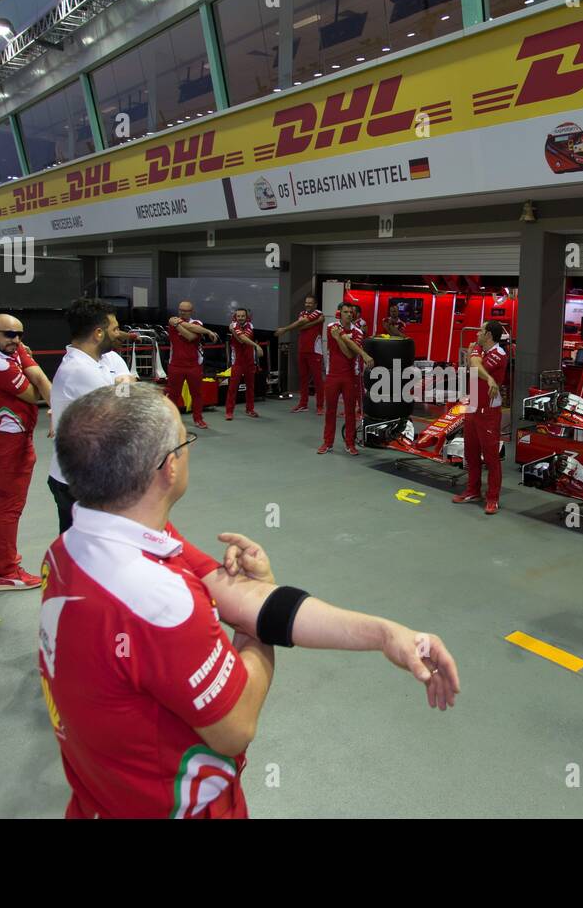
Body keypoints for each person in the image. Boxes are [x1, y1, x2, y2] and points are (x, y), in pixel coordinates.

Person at [41, 383, 460, 818]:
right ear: (168, 467)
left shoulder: (77, 545)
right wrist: (250, 634)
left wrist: (385, 634)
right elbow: (236, 727)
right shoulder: (156, 600)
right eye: (185, 441)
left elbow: (250, 599)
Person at [0, 314, 52, 591]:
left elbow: (39, 376)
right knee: (9, 505)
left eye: (19, 334)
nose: (16, 340)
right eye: (8, 334)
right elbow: (34, 392)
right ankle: (7, 572)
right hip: (10, 441)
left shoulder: (6, 352)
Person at [47, 299, 136, 533]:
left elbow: (128, 382)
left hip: (96, 474)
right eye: (114, 328)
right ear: (98, 333)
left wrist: (124, 385)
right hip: (77, 482)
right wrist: (125, 387)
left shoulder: (107, 358)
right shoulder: (79, 370)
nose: (119, 334)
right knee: (80, 552)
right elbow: (125, 413)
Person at [452, 320, 509, 515]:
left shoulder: (499, 354)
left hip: (489, 412)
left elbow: (475, 366)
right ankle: (473, 491)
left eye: (481, 331)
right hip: (472, 407)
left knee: (491, 457)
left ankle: (493, 497)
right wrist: (488, 376)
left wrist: (475, 359)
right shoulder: (480, 348)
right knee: (471, 453)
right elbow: (473, 362)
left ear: (489, 335)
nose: (477, 333)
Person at [319, 303, 373, 455]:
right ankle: (327, 443)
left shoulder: (358, 332)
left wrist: (338, 338)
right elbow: (347, 349)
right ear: (340, 313)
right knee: (330, 411)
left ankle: (350, 443)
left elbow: (349, 355)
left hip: (351, 376)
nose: (349, 314)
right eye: (345, 312)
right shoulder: (331, 326)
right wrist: (363, 353)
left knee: (350, 412)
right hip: (333, 375)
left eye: (351, 312)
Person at [166, 301, 219, 429]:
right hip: (175, 365)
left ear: (191, 312)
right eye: (180, 310)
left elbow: (191, 335)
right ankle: (171, 420)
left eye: (185, 310)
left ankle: (198, 419)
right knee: (173, 394)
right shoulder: (171, 322)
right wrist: (207, 332)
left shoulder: (196, 323)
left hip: (194, 366)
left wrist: (178, 323)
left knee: (196, 394)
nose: (182, 312)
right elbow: (189, 334)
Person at [275, 295, 324, 413]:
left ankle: (320, 406)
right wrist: (317, 322)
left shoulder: (318, 312)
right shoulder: (303, 313)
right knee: (303, 378)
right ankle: (303, 404)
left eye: (310, 303)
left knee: (318, 379)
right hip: (302, 350)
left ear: (315, 304)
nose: (307, 304)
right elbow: (301, 326)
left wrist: (285, 329)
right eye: (306, 302)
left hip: (315, 351)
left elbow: (302, 324)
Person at [225, 307, 263, 420]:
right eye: (238, 316)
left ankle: (250, 409)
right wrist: (256, 345)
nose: (241, 318)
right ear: (235, 317)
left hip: (250, 361)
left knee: (250, 387)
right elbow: (241, 340)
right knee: (232, 387)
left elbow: (244, 338)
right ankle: (229, 412)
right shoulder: (233, 325)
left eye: (243, 316)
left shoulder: (250, 326)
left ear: (247, 317)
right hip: (237, 362)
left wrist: (233, 331)